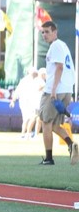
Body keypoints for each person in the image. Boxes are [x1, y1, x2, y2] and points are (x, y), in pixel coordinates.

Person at [37, 20, 76, 165]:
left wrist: (53, 90)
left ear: (55, 32)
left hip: (55, 91)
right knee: (54, 125)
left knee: (46, 123)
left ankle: (49, 158)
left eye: (47, 31)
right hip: (66, 89)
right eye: (43, 32)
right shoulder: (63, 45)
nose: (44, 34)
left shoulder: (55, 46)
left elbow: (59, 67)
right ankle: (72, 145)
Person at [10, 67, 42, 138]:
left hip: (33, 102)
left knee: (32, 117)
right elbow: (17, 91)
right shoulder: (24, 81)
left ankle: (27, 133)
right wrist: (13, 101)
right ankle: (23, 134)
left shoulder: (37, 80)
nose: (34, 74)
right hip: (24, 102)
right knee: (26, 118)